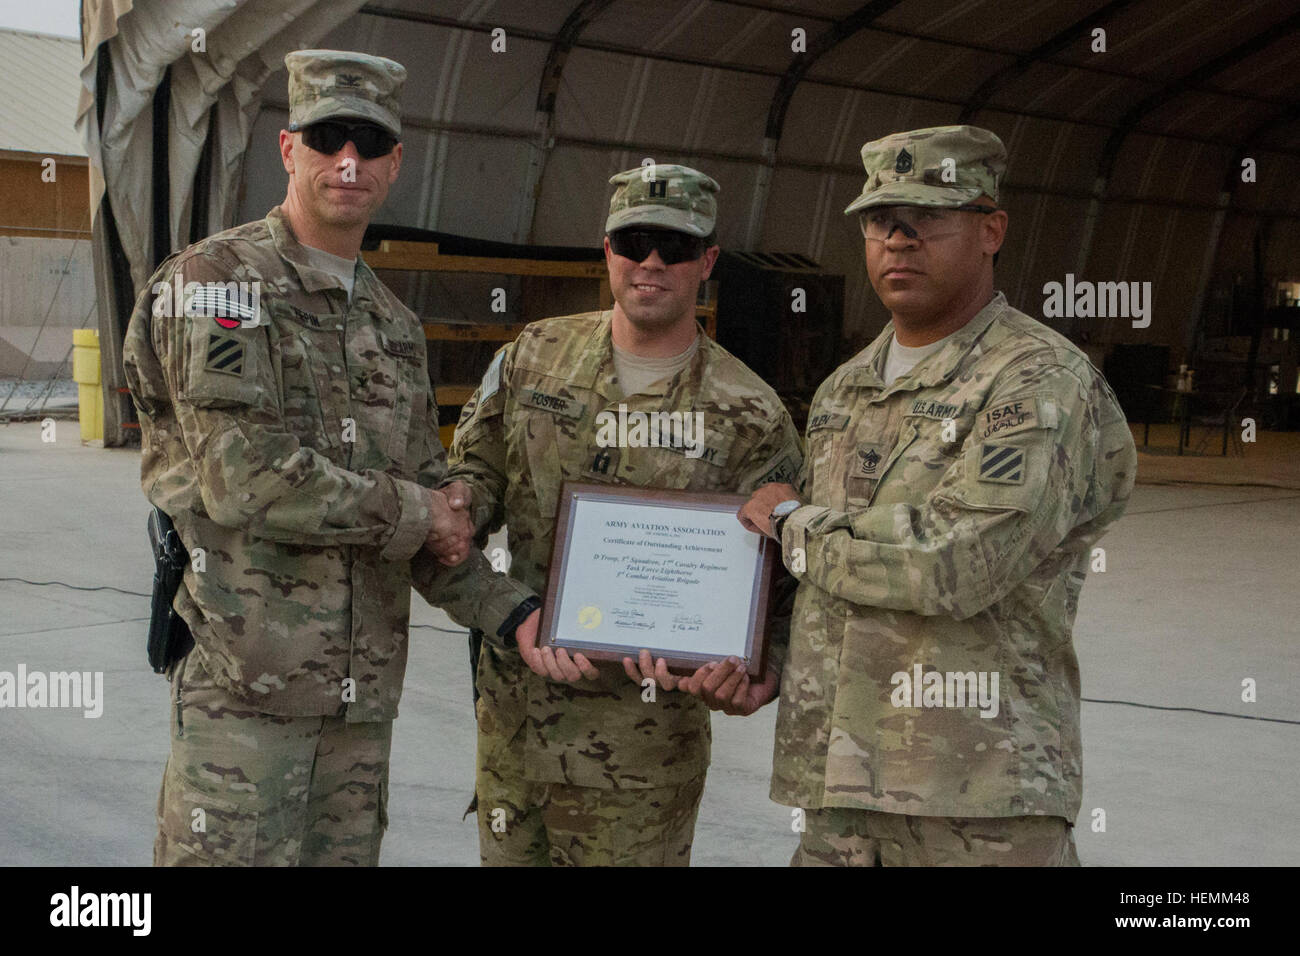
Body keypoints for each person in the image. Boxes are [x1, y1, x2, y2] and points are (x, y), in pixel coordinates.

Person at [122, 50, 539, 866]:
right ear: (289, 148)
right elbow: (245, 478)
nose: (347, 160)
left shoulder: (393, 327)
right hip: (247, 707)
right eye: (326, 137)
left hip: (358, 717)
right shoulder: (218, 286)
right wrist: (422, 512)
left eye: (368, 142)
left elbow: (424, 516)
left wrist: (514, 613)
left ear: (394, 164)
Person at [717, 125, 1137, 865]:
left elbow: (959, 561)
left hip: (977, 803)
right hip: (839, 793)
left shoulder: (1038, 381)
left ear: (991, 230)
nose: (899, 241)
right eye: (881, 222)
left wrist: (791, 522)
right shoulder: (846, 387)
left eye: (926, 219)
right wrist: (766, 653)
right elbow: (829, 584)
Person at [442, 164, 803, 866]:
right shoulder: (531, 360)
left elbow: (787, 586)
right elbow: (470, 486)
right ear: (607, 249)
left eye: (675, 246)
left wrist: (763, 671)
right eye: (634, 242)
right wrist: (503, 604)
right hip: (514, 731)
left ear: (708, 261)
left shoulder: (751, 414)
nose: (652, 263)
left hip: (644, 759)